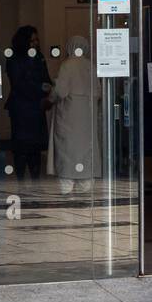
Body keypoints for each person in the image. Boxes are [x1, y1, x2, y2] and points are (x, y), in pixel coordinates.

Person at [50, 35, 102, 195]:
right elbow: (99, 91)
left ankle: (67, 186)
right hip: (88, 115)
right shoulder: (91, 66)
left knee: (67, 150)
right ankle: (86, 184)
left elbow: (60, 91)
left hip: (68, 115)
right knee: (87, 149)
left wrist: (49, 98)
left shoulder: (67, 65)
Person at [5, 25, 52, 181]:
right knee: (22, 148)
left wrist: (47, 86)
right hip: (22, 108)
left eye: (36, 40)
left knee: (34, 148)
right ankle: (22, 180)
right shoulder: (15, 59)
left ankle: (34, 179)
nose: (35, 43)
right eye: (32, 40)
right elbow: (18, 83)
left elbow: (46, 77)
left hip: (32, 107)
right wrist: (41, 88)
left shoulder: (38, 56)